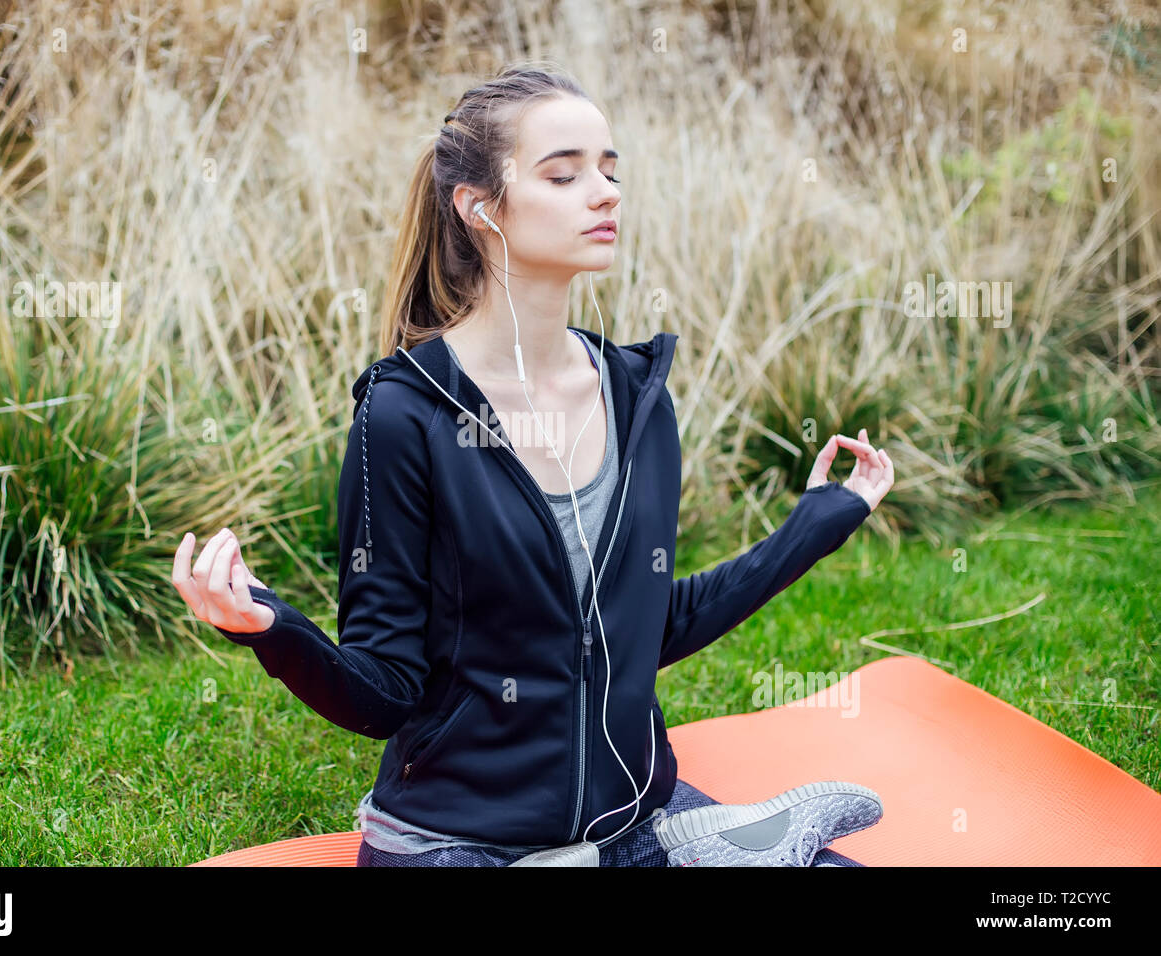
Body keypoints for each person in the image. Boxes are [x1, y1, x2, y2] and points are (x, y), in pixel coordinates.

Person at [171, 62, 896, 867]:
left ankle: (678, 848)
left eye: (611, 170)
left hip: (625, 816)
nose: (607, 192)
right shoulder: (406, 412)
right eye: (566, 173)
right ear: (480, 208)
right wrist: (271, 628)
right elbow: (385, 689)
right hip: (457, 843)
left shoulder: (638, 399)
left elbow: (648, 624)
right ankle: (703, 852)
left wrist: (820, 521)